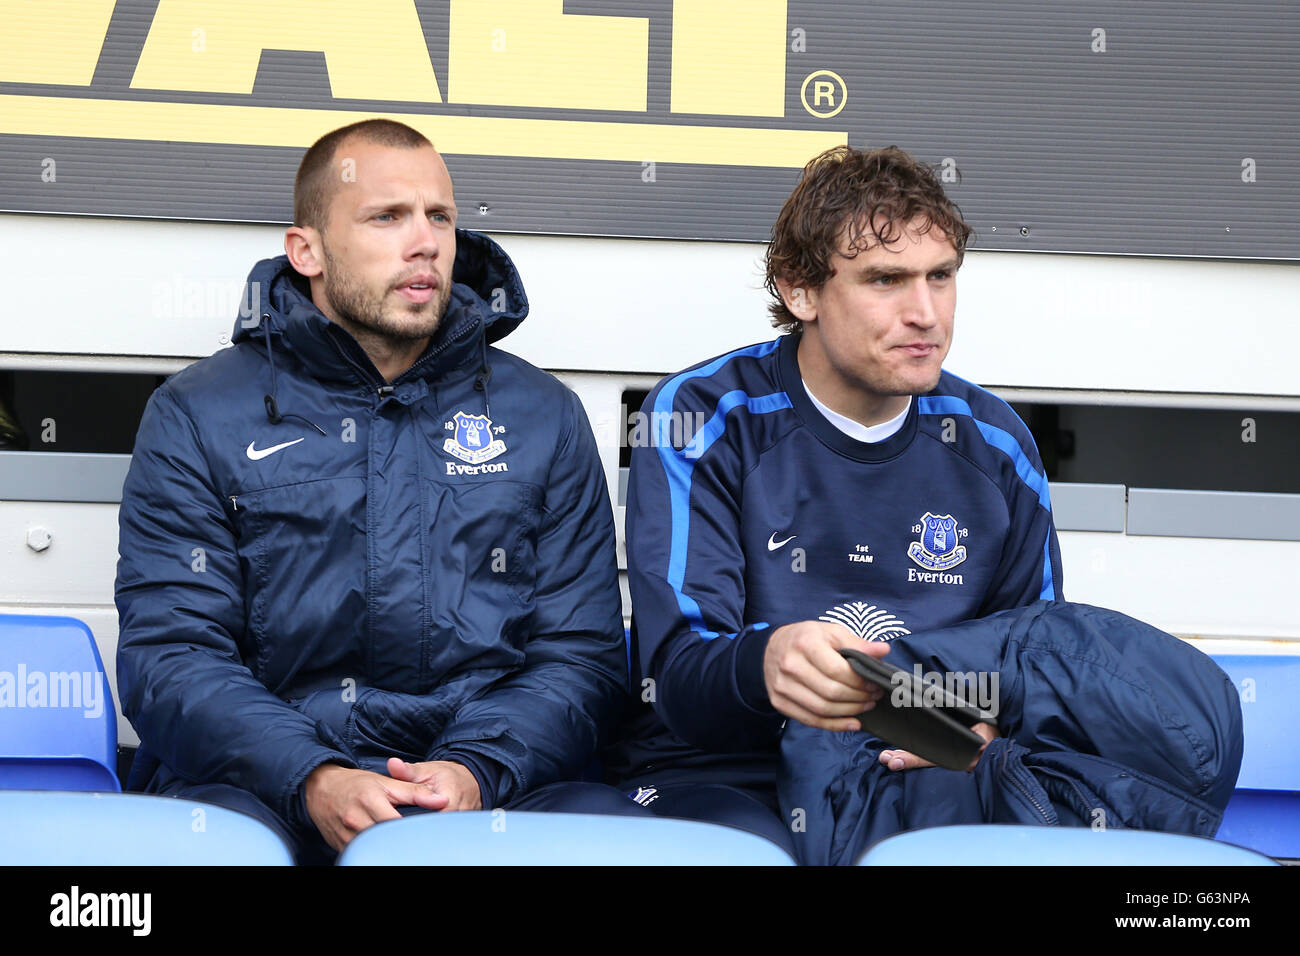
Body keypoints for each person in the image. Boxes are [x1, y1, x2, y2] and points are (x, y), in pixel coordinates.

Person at [607, 145, 1239, 862]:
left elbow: (1033, 665)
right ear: (800, 290)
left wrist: (988, 742)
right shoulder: (702, 417)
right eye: (886, 280)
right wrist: (766, 663)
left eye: (941, 277)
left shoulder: (996, 444)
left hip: (918, 772)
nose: (925, 312)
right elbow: (676, 678)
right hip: (726, 779)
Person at [116, 119, 643, 864]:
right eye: (386, 217)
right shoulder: (198, 414)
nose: (424, 241)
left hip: (494, 786)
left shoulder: (542, 415)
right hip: (265, 790)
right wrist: (313, 776)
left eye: (440, 217)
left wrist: (472, 770)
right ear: (308, 251)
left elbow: (581, 658)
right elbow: (171, 655)